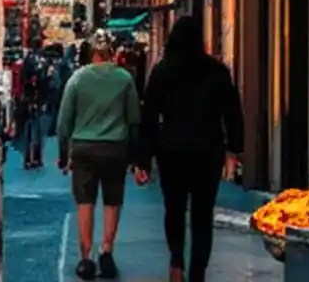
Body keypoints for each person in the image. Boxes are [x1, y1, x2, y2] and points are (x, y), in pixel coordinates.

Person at [138, 16, 244, 282]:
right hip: (208, 151)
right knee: (202, 215)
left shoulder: (163, 71)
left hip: (171, 150)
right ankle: (198, 272)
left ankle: (176, 260)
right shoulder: (216, 71)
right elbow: (232, 111)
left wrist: (144, 157)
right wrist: (234, 148)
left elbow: (149, 115)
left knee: (174, 209)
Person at [57, 34, 141, 280]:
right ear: (112, 53)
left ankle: (86, 258)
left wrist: (64, 153)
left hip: (84, 148)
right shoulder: (125, 79)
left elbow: (64, 122)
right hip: (115, 148)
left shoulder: (77, 79)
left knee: (85, 201)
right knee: (112, 200)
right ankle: (107, 249)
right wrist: (135, 156)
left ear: (91, 54)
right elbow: (134, 119)